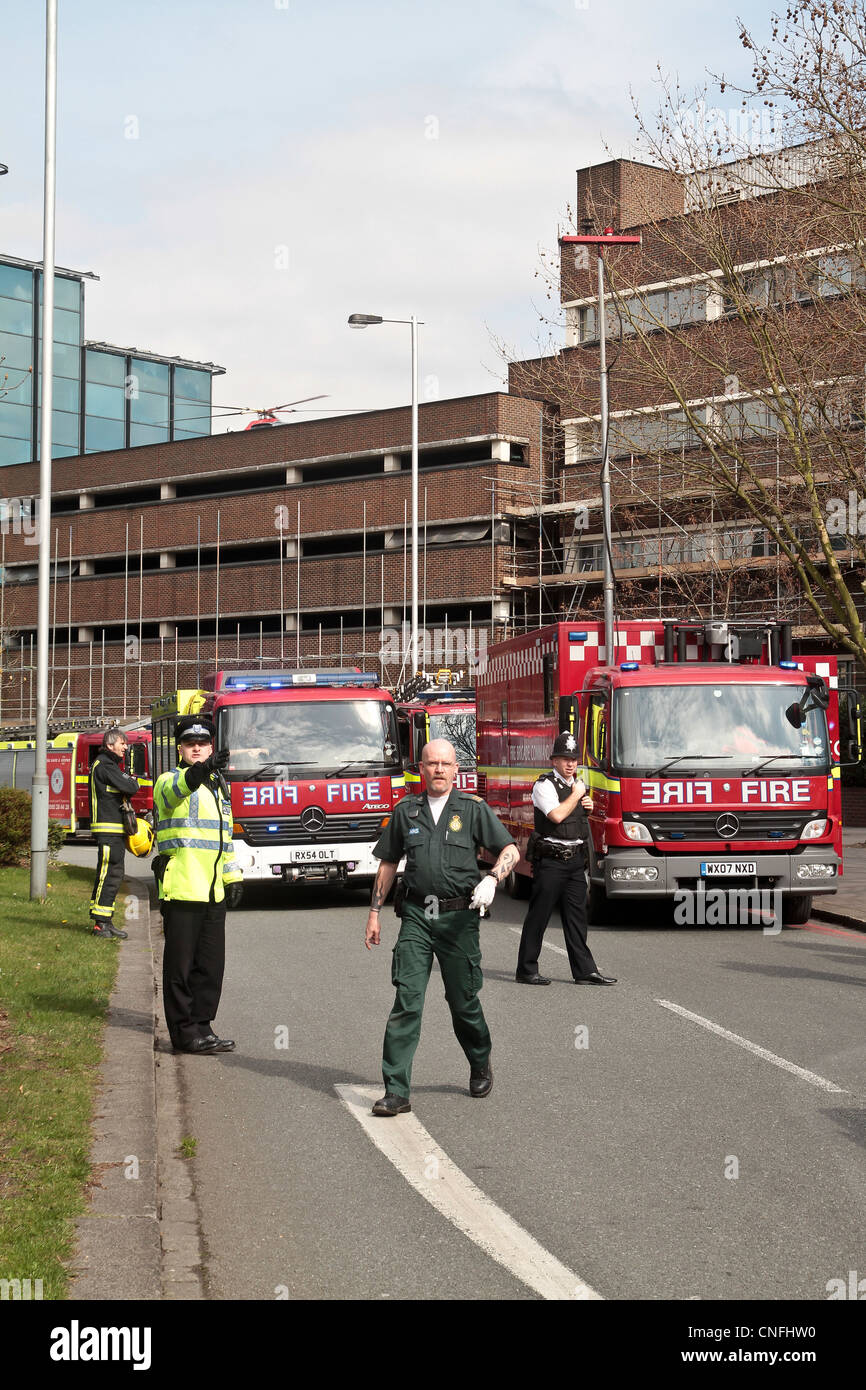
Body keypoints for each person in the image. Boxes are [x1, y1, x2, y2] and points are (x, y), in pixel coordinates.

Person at [365, 738, 519, 1116]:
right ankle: (396, 1089)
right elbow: (388, 862)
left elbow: (511, 850)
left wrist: (493, 879)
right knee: (407, 1000)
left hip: (458, 917)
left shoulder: (471, 809)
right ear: (421, 768)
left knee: (462, 1001)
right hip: (417, 915)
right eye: (431, 763)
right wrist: (374, 912)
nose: (438, 769)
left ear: (455, 770)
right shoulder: (405, 811)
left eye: (445, 764)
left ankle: (479, 1060)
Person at [153, 717, 243, 1054]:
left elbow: (225, 839)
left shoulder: (219, 787)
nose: (196, 748)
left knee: (210, 966)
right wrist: (202, 771)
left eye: (202, 744)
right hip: (182, 888)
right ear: (180, 748)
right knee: (180, 967)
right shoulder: (169, 780)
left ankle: (203, 1026)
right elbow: (180, 789)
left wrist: (233, 878)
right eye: (190, 743)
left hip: (212, 891)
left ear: (209, 747)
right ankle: (184, 1033)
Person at [515, 731, 617, 987]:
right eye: (564, 759)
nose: (570, 764)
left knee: (577, 918)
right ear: (554, 761)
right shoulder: (544, 786)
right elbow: (557, 816)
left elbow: (577, 819)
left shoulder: (577, 786)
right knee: (539, 916)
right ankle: (526, 969)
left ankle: (584, 970)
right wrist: (576, 795)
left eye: (573, 759)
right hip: (551, 860)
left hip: (574, 861)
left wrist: (587, 805)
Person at [89, 728, 141, 939]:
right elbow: (131, 786)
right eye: (122, 743)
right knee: (108, 874)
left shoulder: (108, 765)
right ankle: (100, 924)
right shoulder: (106, 765)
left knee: (114, 875)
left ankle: (106, 921)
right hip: (108, 830)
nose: (126, 747)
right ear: (110, 745)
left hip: (114, 831)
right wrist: (131, 781)